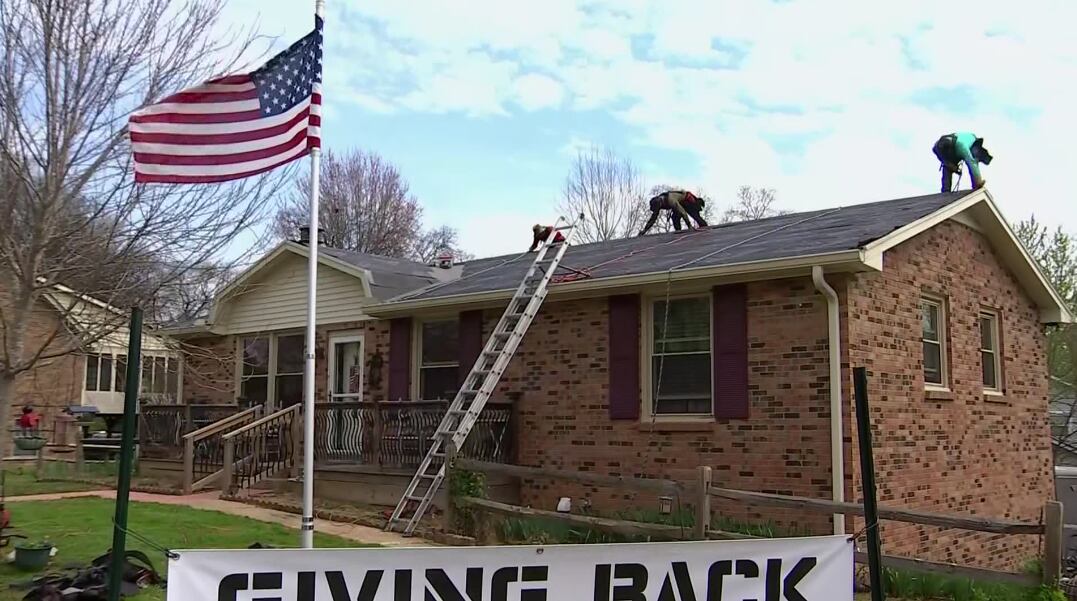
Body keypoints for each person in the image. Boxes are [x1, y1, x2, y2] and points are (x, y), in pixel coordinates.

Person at [639, 190, 708, 236]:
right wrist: (644, 231)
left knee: (694, 215)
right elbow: (653, 218)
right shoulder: (658, 201)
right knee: (675, 218)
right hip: (679, 202)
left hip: (687, 200)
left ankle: (705, 228)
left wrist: (689, 226)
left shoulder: (670, 200)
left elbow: (683, 213)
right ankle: (679, 233)